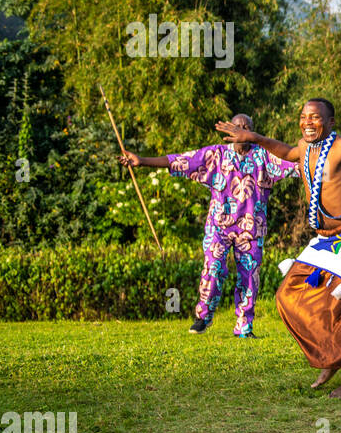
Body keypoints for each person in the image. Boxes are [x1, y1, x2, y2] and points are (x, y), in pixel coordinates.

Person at [215, 99, 341, 398]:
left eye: (315, 117)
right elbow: (287, 152)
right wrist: (254, 138)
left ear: (330, 122)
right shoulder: (304, 147)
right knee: (288, 294)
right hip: (324, 237)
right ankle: (330, 354)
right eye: (303, 117)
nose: (307, 122)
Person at [119, 113, 296, 337]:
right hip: (219, 227)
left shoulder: (265, 157)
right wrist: (142, 161)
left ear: (252, 131)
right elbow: (180, 160)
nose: (242, 130)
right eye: (238, 126)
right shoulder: (216, 154)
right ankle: (203, 317)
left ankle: (244, 327)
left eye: (246, 127)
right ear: (230, 130)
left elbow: (297, 164)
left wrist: (327, 163)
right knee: (213, 269)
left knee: (249, 278)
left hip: (251, 229)